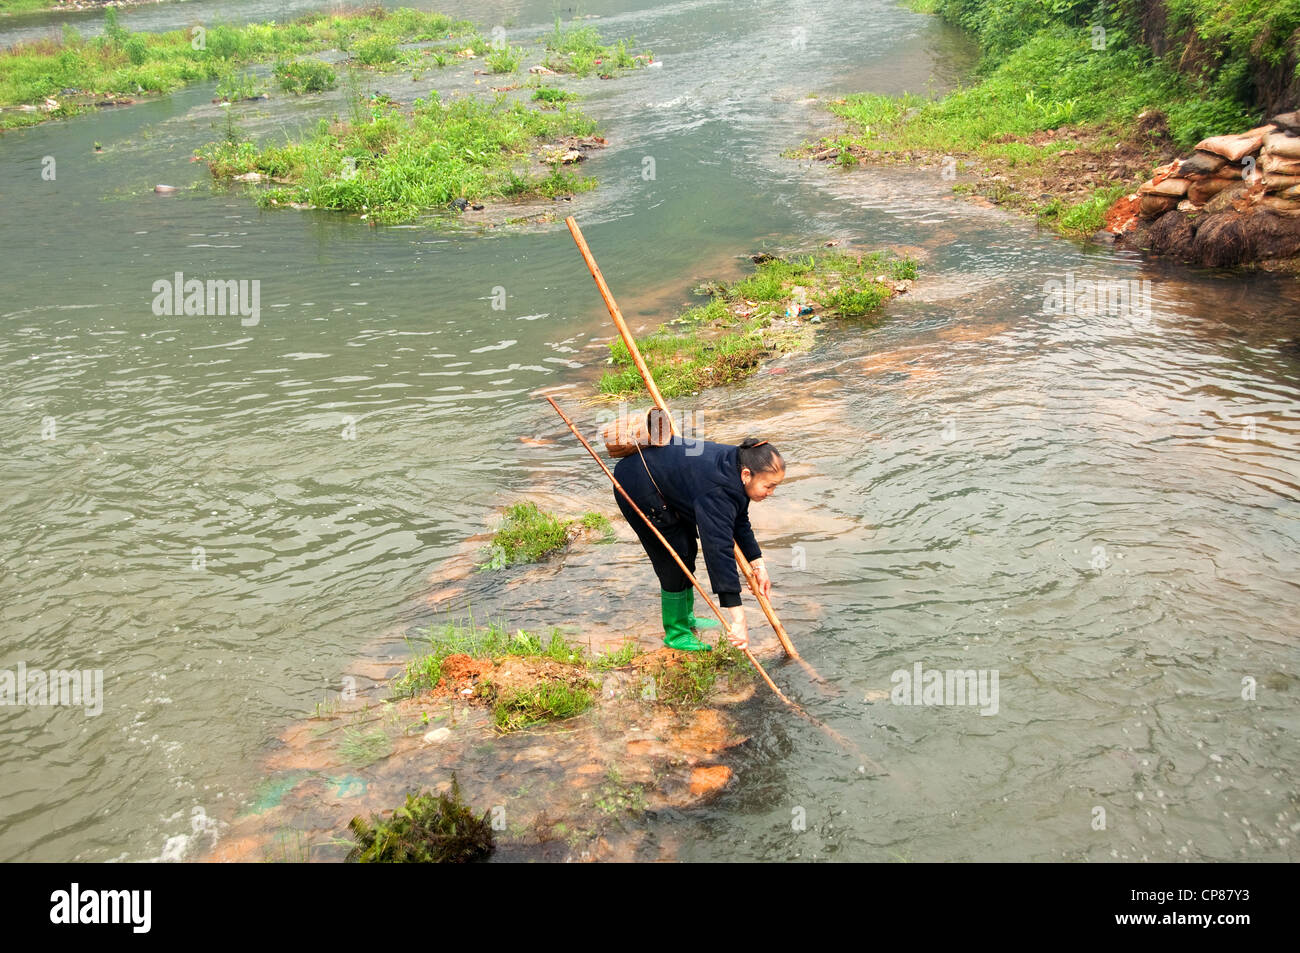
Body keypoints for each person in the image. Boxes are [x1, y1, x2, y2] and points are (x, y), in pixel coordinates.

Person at [612, 435, 785, 652]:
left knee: (688, 549)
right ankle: (676, 633)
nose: (771, 493)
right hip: (637, 484)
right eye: (768, 486)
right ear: (746, 475)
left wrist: (758, 565)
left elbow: (739, 520)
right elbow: (718, 550)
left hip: (663, 482)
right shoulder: (719, 489)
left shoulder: (738, 466)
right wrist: (738, 619)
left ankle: (687, 616)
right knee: (674, 557)